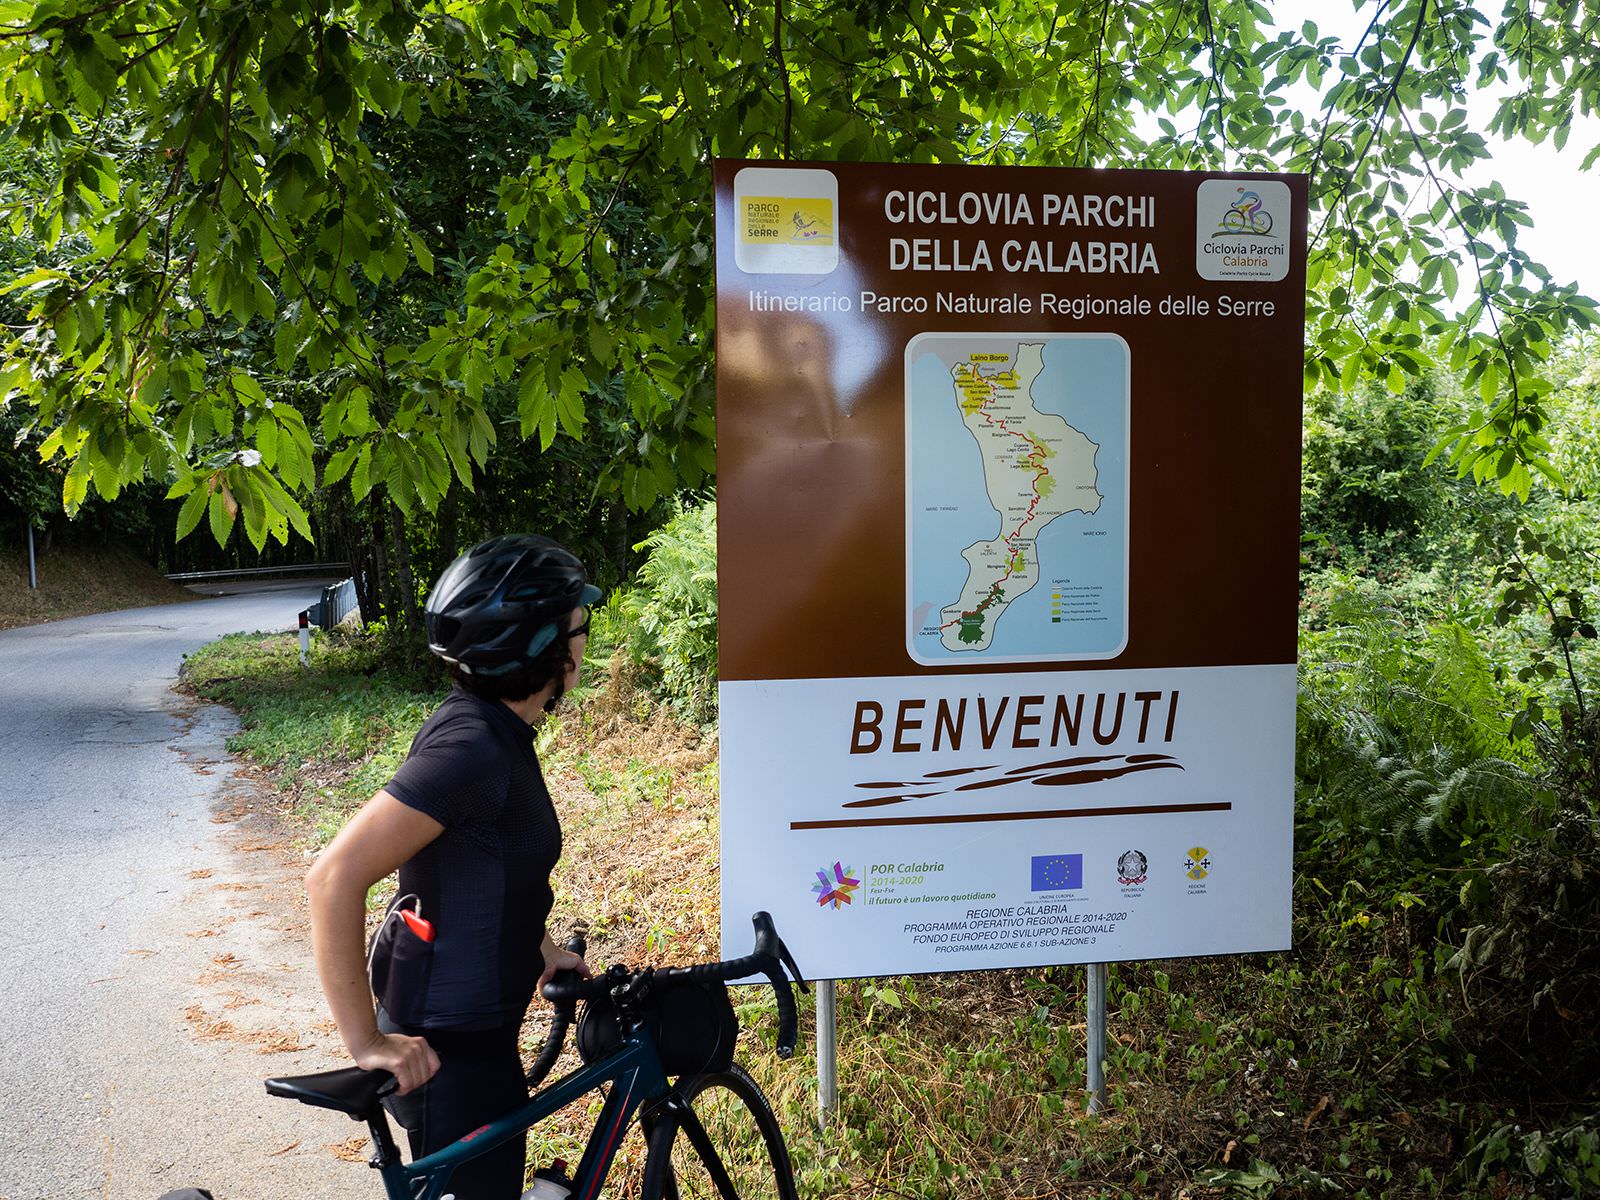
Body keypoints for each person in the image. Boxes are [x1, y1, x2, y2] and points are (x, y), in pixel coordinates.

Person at [306, 534, 600, 1199]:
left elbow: (483, 866)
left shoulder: (492, 730)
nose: (584, 637)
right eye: (576, 625)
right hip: (444, 1055)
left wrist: (543, 948)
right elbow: (332, 877)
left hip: (478, 1039)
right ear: (543, 647)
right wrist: (367, 1044)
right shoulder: (472, 748)